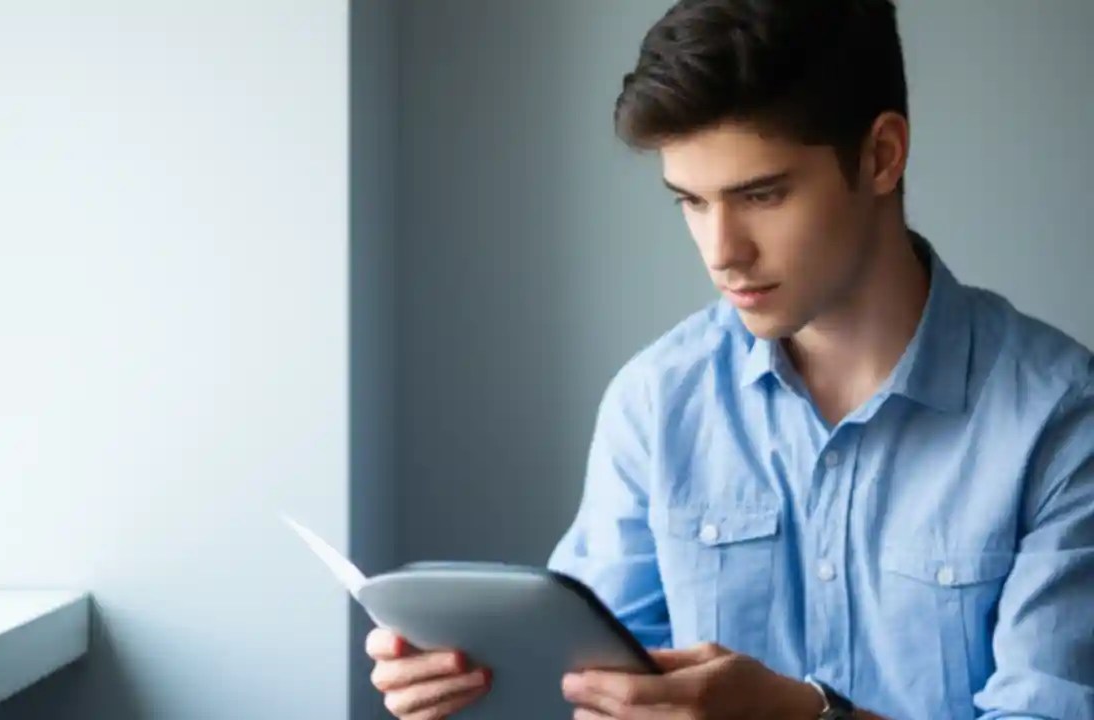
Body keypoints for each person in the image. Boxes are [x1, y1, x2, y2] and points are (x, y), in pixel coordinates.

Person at [366, 0, 1094, 717]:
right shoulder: (656, 401)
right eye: (689, 201)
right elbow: (590, 698)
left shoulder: (1059, 421)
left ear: (881, 156)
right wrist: (479, 689)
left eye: (763, 195)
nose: (722, 253)